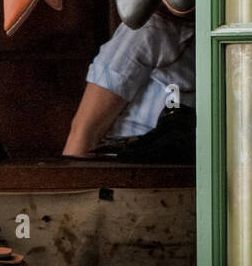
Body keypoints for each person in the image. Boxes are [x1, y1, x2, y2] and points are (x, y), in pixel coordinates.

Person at [63, 10, 194, 160]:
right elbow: (84, 131)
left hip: (184, 171)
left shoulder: (213, 41)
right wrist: (81, 182)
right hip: (125, 169)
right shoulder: (147, 31)